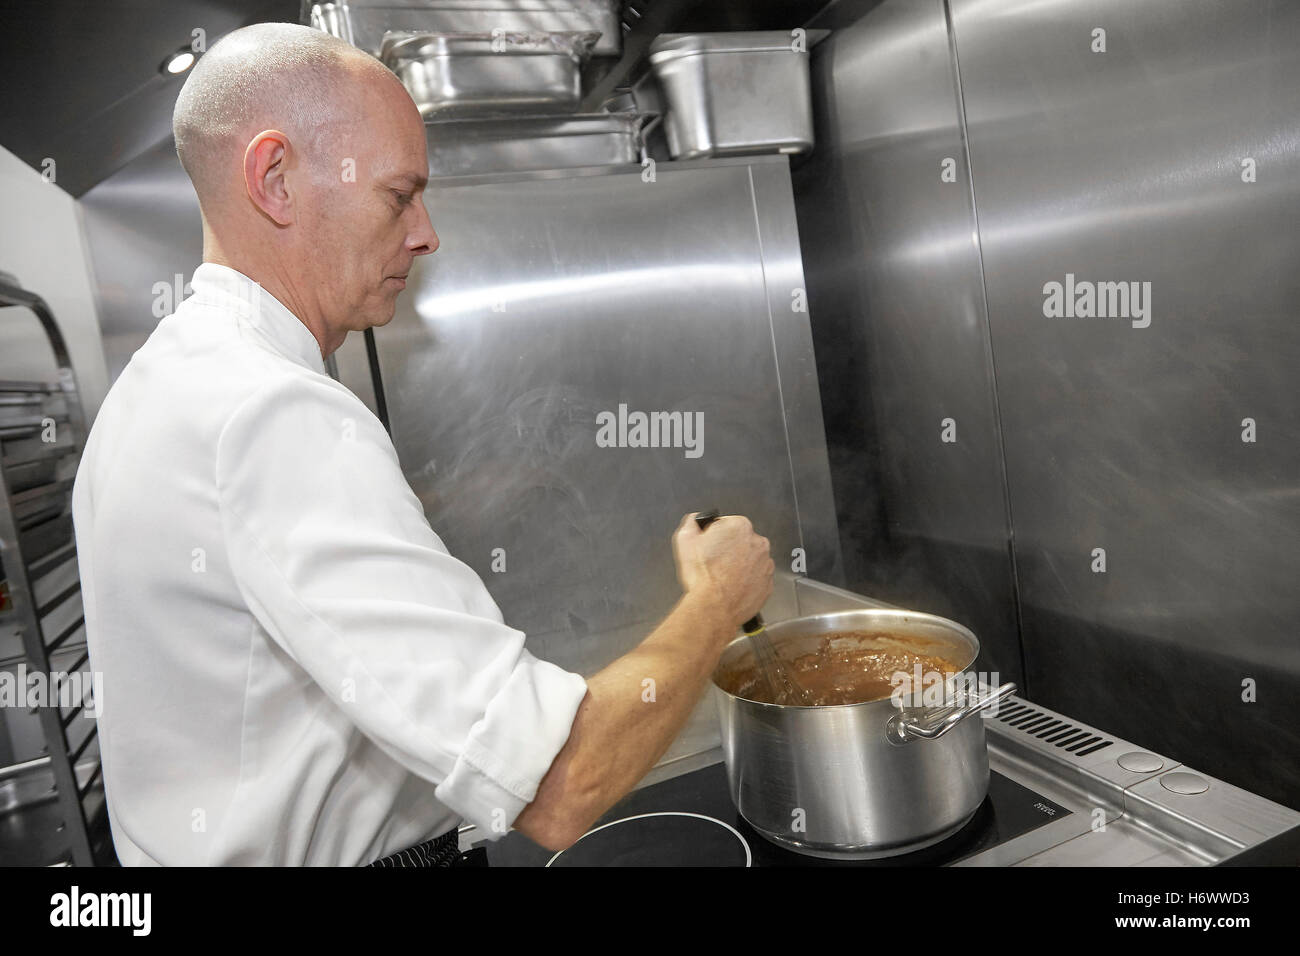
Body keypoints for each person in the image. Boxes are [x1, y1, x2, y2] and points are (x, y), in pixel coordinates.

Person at [70, 22, 773, 866]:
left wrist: (444, 504)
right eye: (399, 194)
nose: (425, 232)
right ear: (275, 179)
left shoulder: (154, 390)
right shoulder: (270, 413)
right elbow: (560, 783)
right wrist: (714, 601)